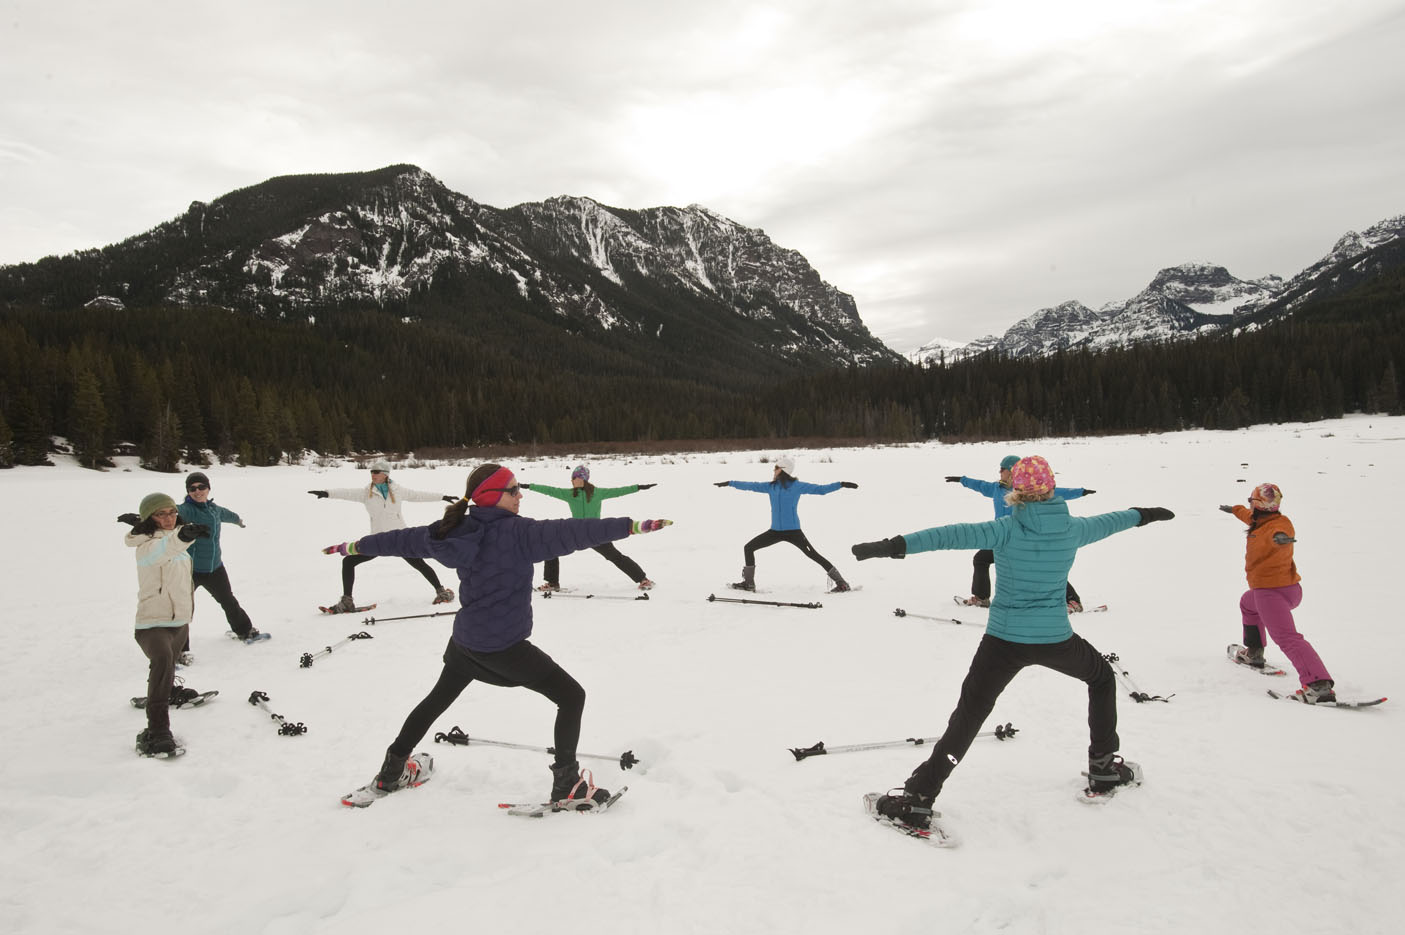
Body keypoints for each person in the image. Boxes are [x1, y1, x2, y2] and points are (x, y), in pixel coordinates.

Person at [851, 455, 1174, 826]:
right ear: (1051, 486)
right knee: (1101, 678)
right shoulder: (1074, 528)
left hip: (1004, 640)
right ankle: (1103, 768)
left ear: (1016, 491)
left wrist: (890, 546)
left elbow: (947, 535)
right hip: (1055, 638)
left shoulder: (1006, 529)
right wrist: (1145, 513)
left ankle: (918, 798)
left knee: (970, 715)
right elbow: (1116, 520)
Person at [326, 463, 673, 807]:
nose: (520, 495)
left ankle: (390, 773)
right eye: (513, 490)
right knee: (571, 696)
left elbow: (400, 540)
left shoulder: (453, 529)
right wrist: (631, 527)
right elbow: (574, 532)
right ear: (493, 496)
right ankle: (567, 784)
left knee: (437, 700)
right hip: (502, 646)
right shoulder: (519, 534)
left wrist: (354, 547)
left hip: (466, 641)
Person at [1222, 483, 1335, 703]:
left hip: (1270, 593)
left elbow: (1280, 533)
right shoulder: (1258, 520)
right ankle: (1254, 653)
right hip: (1287, 589)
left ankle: (1318, 686)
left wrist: (1280, 539)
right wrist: (1234, 509)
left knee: (1288, 638)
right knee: (1247, 603)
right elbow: (1246, 515)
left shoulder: (1280, 525)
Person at [947, 454, 1096, 611]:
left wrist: (1081, 492)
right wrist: (962, 480)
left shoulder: (1027, 490)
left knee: (1041, 568)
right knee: (981, 559)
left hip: (1025, 539)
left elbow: (1060, 492)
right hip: (1002, 539)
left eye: (1002, 469)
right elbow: (979, 485)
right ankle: (981, 598)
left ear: (1011, 471)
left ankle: (1073, 601)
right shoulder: (996, 488)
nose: (999, 472)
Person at [309, 460, 457, 611]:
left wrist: (443, 497)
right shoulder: (366, 493)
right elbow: (346, 493)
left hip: (401, 538)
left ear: (385, 474)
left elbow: (418, 495)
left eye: (376, 472)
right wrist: (326, 493)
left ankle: (441, 592)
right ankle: (347, 601)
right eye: (371, 472)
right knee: (348, 562)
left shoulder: (398, 490)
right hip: (378, 541)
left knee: (419, 564)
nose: (372, 474)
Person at [125, 492, 210, 757]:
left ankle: (168, 690)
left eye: (172, 512)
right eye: (161, 514)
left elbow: (174, 544)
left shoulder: (176, 537)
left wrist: (184, 533)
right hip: (153, 623)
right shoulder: (146, 547)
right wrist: (184, 536)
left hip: (179, 621)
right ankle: (157, 730)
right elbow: (165, 549)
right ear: (150, 518)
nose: (169, 518)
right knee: (162, 660)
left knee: (166, 665)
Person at [715, 454, 857, 593]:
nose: (773, 471)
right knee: (749, 548)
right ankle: (749, 583)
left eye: (776, 468)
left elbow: (820, 490)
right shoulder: (771, 487)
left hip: (794, 532)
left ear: (783, 470)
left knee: (813, 555)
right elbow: (751, 485)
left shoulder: (797, 486)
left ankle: (841, 583)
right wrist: (730, 483)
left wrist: (841, 484)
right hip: (775, 532)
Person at [523, 464, 659, 591]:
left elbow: (618, 491)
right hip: (575, 532)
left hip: (595, 532)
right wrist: (529, 486)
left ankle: (643, 579)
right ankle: (553, 583)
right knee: (551, 548)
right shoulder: (569, 494)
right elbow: (549, 490)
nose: (572, 481)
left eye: (575, 478)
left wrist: (637, 487)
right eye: (572, 478)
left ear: (583, 479)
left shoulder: (597, 493)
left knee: (616, 557)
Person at [176, 471, 262, 648]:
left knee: (228, 600)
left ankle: (245, 630)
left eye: (201, 487)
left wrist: (238, 520)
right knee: (181, 609)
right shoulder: (185, 510)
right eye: (193, 489)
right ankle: (179, 649)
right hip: (190, 570)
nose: (198, 491)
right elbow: (167, 512)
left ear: (208, 488)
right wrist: (143, 519)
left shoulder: (214, 509)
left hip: (215, 568)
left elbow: (227, 514)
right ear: (188, 491)